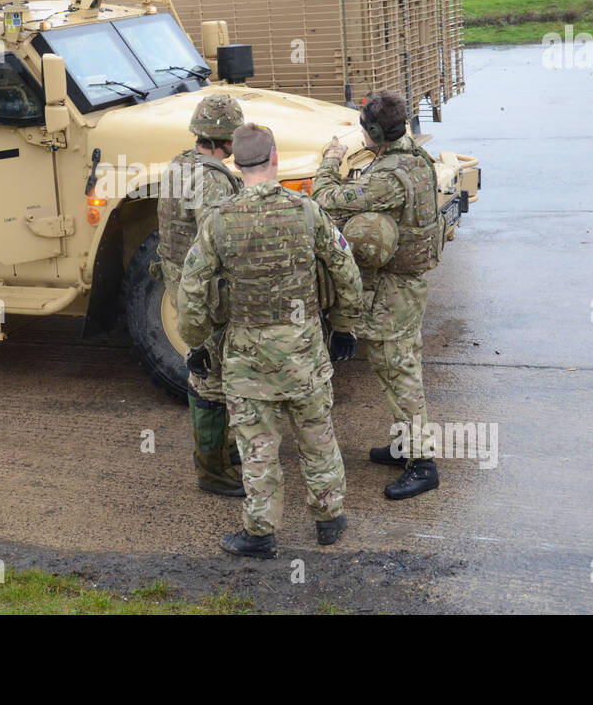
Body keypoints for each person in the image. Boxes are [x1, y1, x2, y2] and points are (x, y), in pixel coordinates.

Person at [177, 123, 365, 558]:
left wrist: (198, 343)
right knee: (317, 437)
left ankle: (261, 533)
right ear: (275, 158)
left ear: (237, 165)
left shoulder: (219, 221)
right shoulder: (306, 211)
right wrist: (342, 325)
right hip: (304, 351)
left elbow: (191, 288)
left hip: (247, 357)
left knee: (258, 447)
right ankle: (328, 519)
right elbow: (344, 268)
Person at [313, 90, 445, 501]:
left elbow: (326, 200)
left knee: (398, 368)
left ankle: (422, 464)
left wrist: (331, 160)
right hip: (408, 282)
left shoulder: (389, 178)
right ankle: (405, 445)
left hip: (395, 289)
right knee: (400, 362)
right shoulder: (414, 159)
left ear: (373, 132)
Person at [155, 93, 245, 496]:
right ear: (225, 139)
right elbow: (218, 242)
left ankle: (223, 449)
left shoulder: (179, 163)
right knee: (209, 375)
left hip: (181, 282)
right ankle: (212, 470)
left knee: (210, 368)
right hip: (205, 291)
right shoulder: (211, 179)